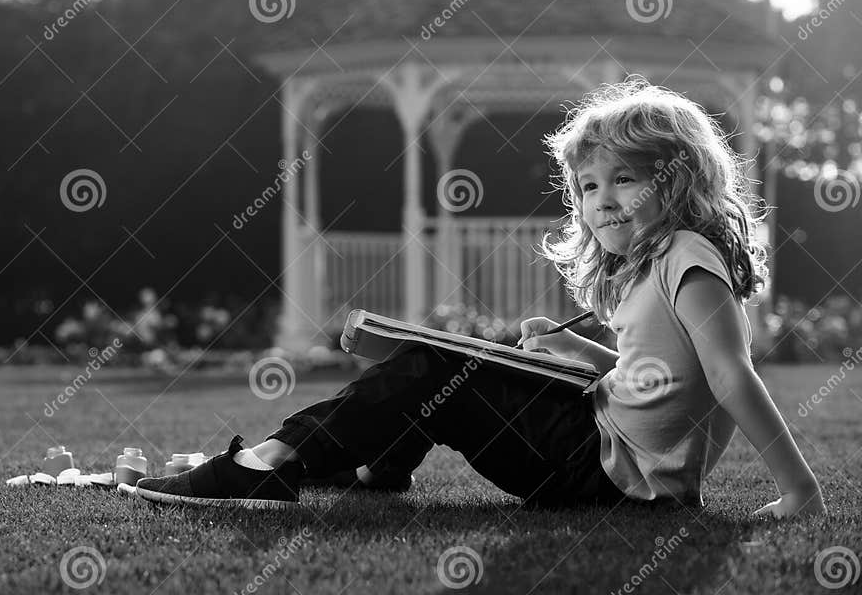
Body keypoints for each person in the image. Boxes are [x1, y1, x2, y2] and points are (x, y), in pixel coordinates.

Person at [136, 77, 826, 519]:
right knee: (470, 355)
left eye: (625, 179)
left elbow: (730, 374)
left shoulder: (688, 259)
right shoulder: (658, 264)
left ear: (679, 178)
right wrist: (571, 348)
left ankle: (270, 463)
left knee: (441, 369)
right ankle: (379, 466)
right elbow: (655, 379)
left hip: (608, 477)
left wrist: (799, 491)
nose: (602, 200)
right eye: (588, 186)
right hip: (604, 450)